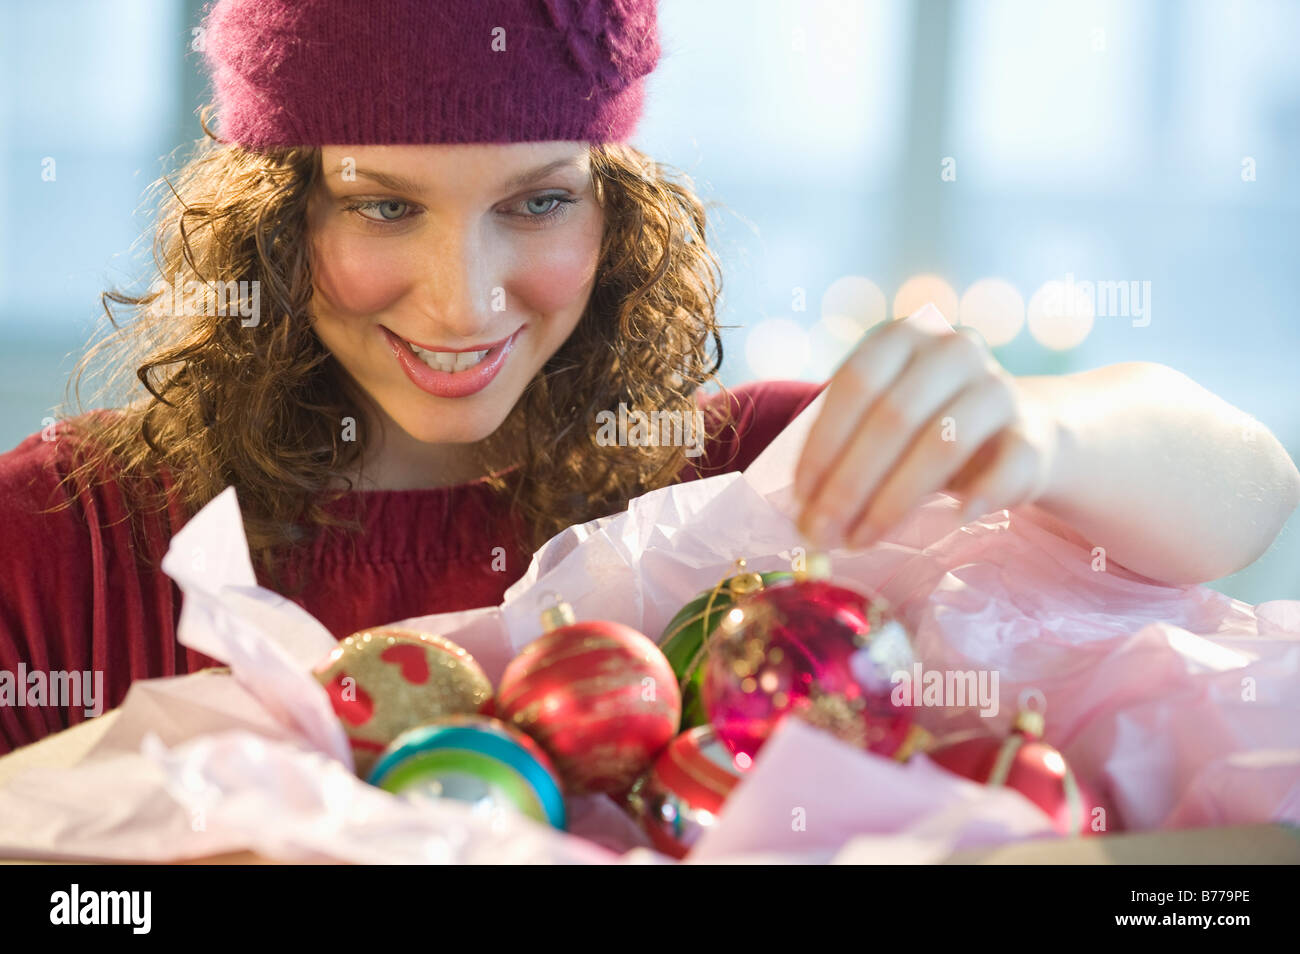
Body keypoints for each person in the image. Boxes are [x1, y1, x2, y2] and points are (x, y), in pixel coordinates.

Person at [1, 0, 1296, 756]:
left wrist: (1045, 428)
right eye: (383, 208)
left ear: (617, 215)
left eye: (538, 201)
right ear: (276, 223)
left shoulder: (753, 489)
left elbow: (1244, 494)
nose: (465, 298)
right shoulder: (64, 543)